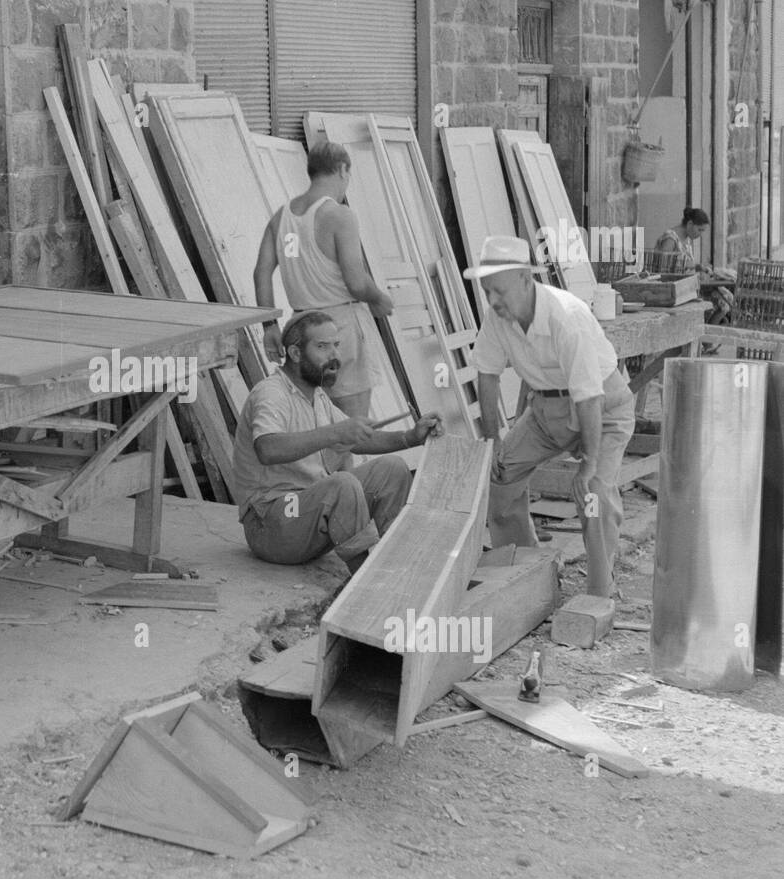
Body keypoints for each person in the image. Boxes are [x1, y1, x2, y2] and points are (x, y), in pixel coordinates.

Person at [466, 235, 635, 599]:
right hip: (546, 409)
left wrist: (588, 465)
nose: (493, 301)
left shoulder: (566, 317)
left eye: (499, 291)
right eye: (486, 292)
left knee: (594, 493)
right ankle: (525, 575)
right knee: (501, 476)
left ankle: (599, 594)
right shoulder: (498, 317)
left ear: (526, 279)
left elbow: (590, 398)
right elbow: (487, 374)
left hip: (602, 409)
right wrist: (493, 439)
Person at [233, 311, 442, 573]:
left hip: (305, 511)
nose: (334, 356)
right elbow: (267, 448)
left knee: (393, 468)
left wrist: (410, 437)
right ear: (296, 354)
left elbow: (354, 439)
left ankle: (398, 564)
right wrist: (336, 432)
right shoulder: (271, 393)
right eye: (322, 347)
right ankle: (366, 580)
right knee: (341, 484)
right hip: (271, 522)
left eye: (336, 345)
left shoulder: (316, 394)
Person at [253, 141, 394, 419]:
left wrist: (269, 325)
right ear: (342, 170)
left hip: (301, 330)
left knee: (317, 424)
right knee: (351, 427)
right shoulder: (339, 215)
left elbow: (261, 273)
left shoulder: (281, 217)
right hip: (338, 330)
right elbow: (355, 282)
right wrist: (378, 298)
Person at [651, 206, 733, 325]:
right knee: (721, 301)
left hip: (685, 286)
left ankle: (706, 335)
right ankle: (704, 336)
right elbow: (663, 268)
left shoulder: (687, 240)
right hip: (671, 289)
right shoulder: (671, 238)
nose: (700, 234)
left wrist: (698, 267)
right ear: (690, 224)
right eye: (699, 230)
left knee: (727, 297)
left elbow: (685, 263)